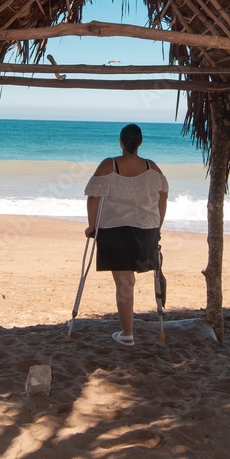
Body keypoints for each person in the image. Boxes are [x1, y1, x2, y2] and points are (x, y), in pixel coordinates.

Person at [84, 123, 168, 347]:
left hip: (115, 230)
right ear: (140, 143)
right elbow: (163, 195)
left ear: (121, 142)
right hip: (146, 231)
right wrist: (158, 226)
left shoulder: (108, 165)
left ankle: (127, 334)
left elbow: (93, 196)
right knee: (129, 280)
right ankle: (127, 331)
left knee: (124, 283)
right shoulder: (152, 167)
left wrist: (91, 226)